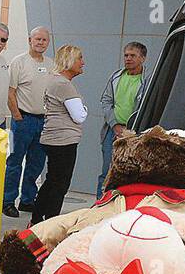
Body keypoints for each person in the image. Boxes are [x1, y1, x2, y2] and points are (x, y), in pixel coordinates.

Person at [31, 44, 87, 226]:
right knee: (60, 184)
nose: (82, 63)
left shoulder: (54, 81)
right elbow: (79, 116)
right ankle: (50, 223)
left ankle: (37, 219)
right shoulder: (64, 85)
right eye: (79, 58)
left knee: (52, 181)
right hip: (64, 140)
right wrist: (85, 108)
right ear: (69, 61)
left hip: (52, 138)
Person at [4, 26, 52, 217]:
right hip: (22, 120)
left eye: (44, 40)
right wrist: (17, 116)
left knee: (36, 163)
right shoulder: (19, 62)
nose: (40, 43)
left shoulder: (51, 64)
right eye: (37, 39)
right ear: (29, 40)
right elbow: (10, 92)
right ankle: (8, 201)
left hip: (43, 122)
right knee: (15, 161)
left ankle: (27, 200)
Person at [98, 41, 149, 198]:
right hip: (112, 131)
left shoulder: (148, 80)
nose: (128, 59)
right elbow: (105, 101)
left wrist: (129, 130)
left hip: (135, 133)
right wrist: (115, 125)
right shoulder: (116, 77)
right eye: (126, 55)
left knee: (129, 172)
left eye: (133, 55)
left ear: (143, 58)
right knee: (107, 170)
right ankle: (100, 203)